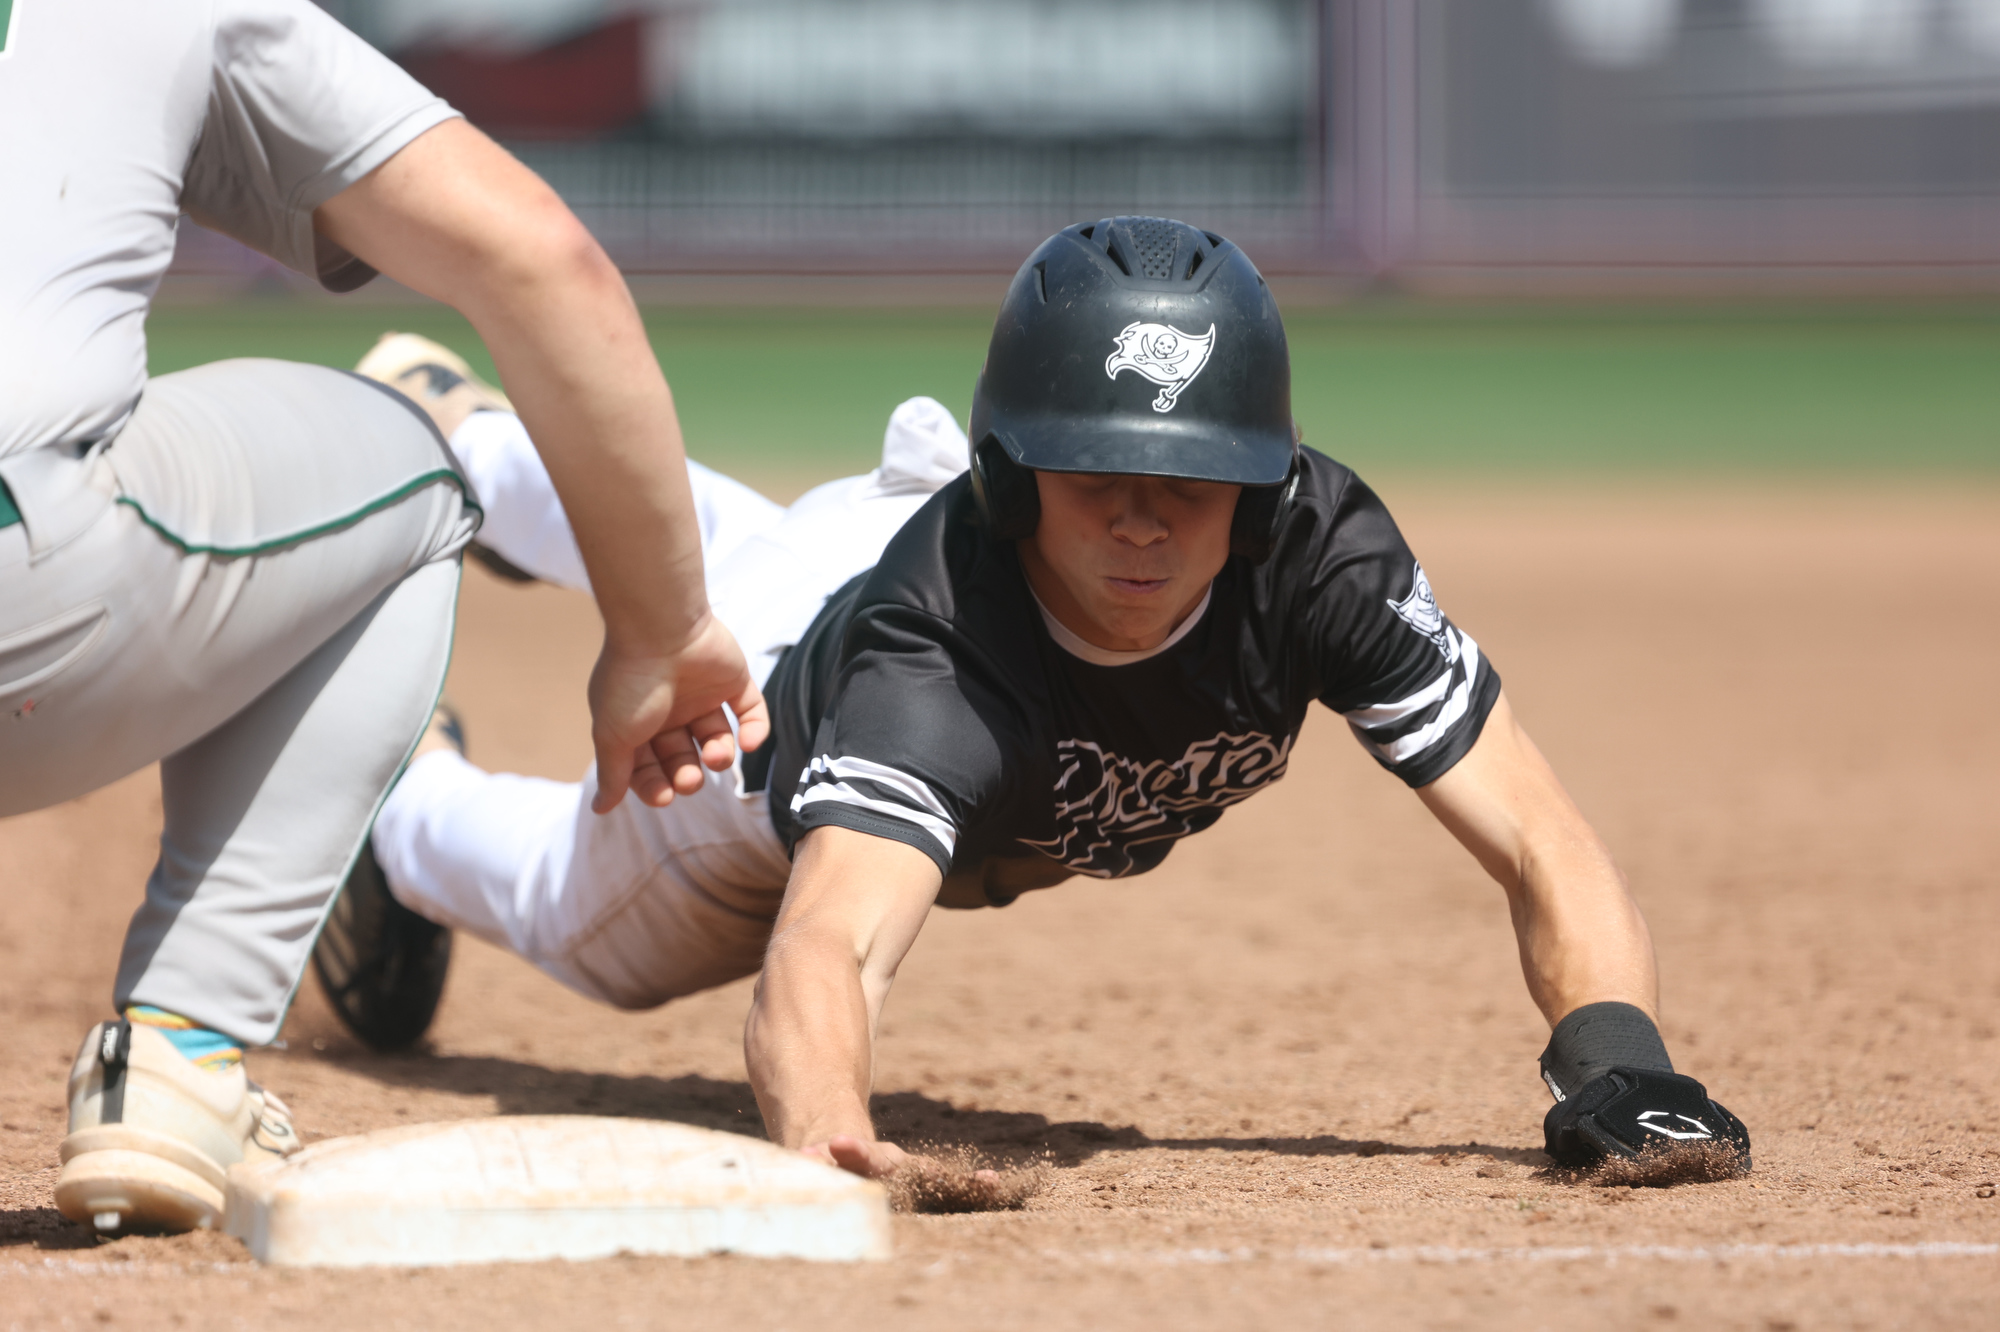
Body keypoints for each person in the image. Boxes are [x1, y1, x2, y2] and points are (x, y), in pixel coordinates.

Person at [346, 217, 1751, 1186]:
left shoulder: (1320, 559)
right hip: (778, 721)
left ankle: (470, 434)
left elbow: (1539, 835)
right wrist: (828, 1124)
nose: (1144, 522)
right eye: (1098, 479)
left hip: (872, 554)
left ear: (1263, 491)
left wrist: (1619, 1065)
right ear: (1015, 478)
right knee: (587, 934)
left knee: (738, 549)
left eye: (1188, 483)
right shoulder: (933, 664)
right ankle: (393, 805)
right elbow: (831, 945)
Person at [0, 0, 762, 1235]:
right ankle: (178, 1056)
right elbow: (533, 255)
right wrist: (662, 632)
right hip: (32, 617)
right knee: (412, 460)